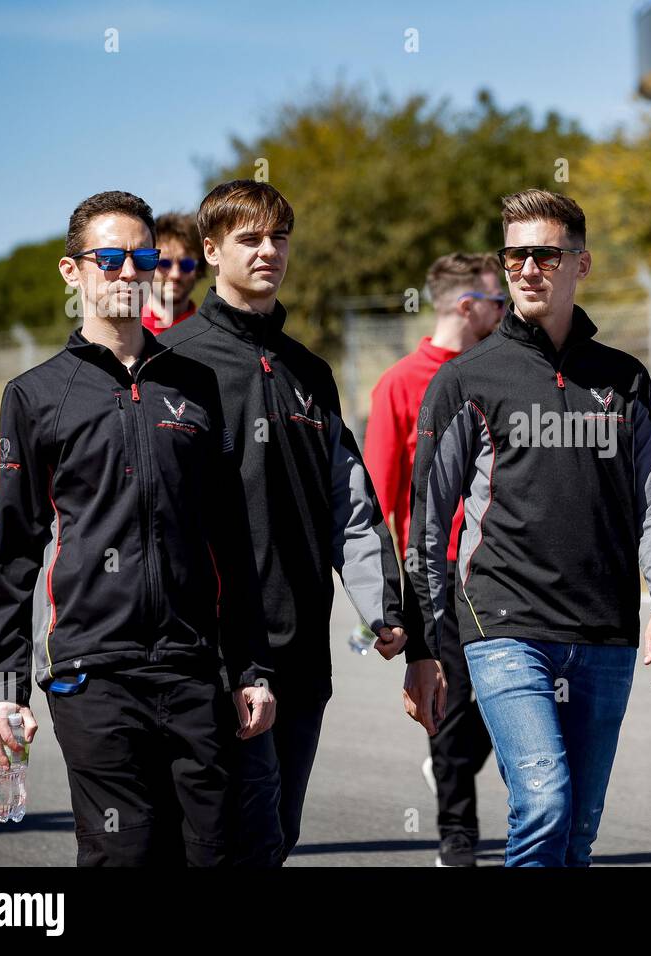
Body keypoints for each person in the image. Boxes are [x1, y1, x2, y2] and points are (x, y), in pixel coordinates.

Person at [0, 190, 275, 866]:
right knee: (126, 853)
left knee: (210, 853)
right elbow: (17, 554)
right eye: (107, 258)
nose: (126, 272)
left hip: (192, 667)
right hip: (93, 672)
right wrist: (3, 693)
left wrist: (251, 667)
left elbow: (232, 540)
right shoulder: (35, 394)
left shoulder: (197, 387)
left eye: (140, 257)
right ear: (71, 270)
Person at [407, 189, 651, 867]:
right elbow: (426, 522)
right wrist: (424, 643)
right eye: (514, 255)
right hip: (503, 623)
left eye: (544, 254)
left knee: (578, 834)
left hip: (604, 630)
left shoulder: (624, 379)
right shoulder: (466, 379)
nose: (527, 268)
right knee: (544, 802)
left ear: (581, 264)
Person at [159, 180, 407, 866]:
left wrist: (382, 606)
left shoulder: (311, 372)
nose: (269, 251)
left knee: (276, 835)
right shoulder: (173, 365)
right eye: (249, 239)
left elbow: (349, 504)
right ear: (210, 251)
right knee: (238, 836)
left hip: (303, 649)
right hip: (212, 650)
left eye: (279, 238)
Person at [364, 252, 503, 867]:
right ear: (466, 306)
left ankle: (446, 763)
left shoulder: (502, 372)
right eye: (497, 302)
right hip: (436, 572)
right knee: (454, 695)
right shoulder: (399, 384)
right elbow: (375, 497)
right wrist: (390, 596)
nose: (507, 311)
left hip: (501, 570)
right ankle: (458, 837)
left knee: (510, 695)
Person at [141, 211, 205, 333]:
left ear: (199, 270)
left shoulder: (208, 333)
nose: (175, 274)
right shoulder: (125, 331)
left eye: (187, 265)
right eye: (164, 264)